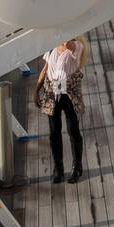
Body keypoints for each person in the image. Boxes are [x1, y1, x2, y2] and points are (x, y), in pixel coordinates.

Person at [35, 37, 86, 184]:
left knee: (73, 130)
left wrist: (64, 36)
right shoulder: (51, 47)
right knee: (54, 132)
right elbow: (45, 69)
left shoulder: (76, 46)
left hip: (68, 92)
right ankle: (58, 169)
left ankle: (77, 167)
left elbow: (68, 45)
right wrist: (36, 90)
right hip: (52, 91)